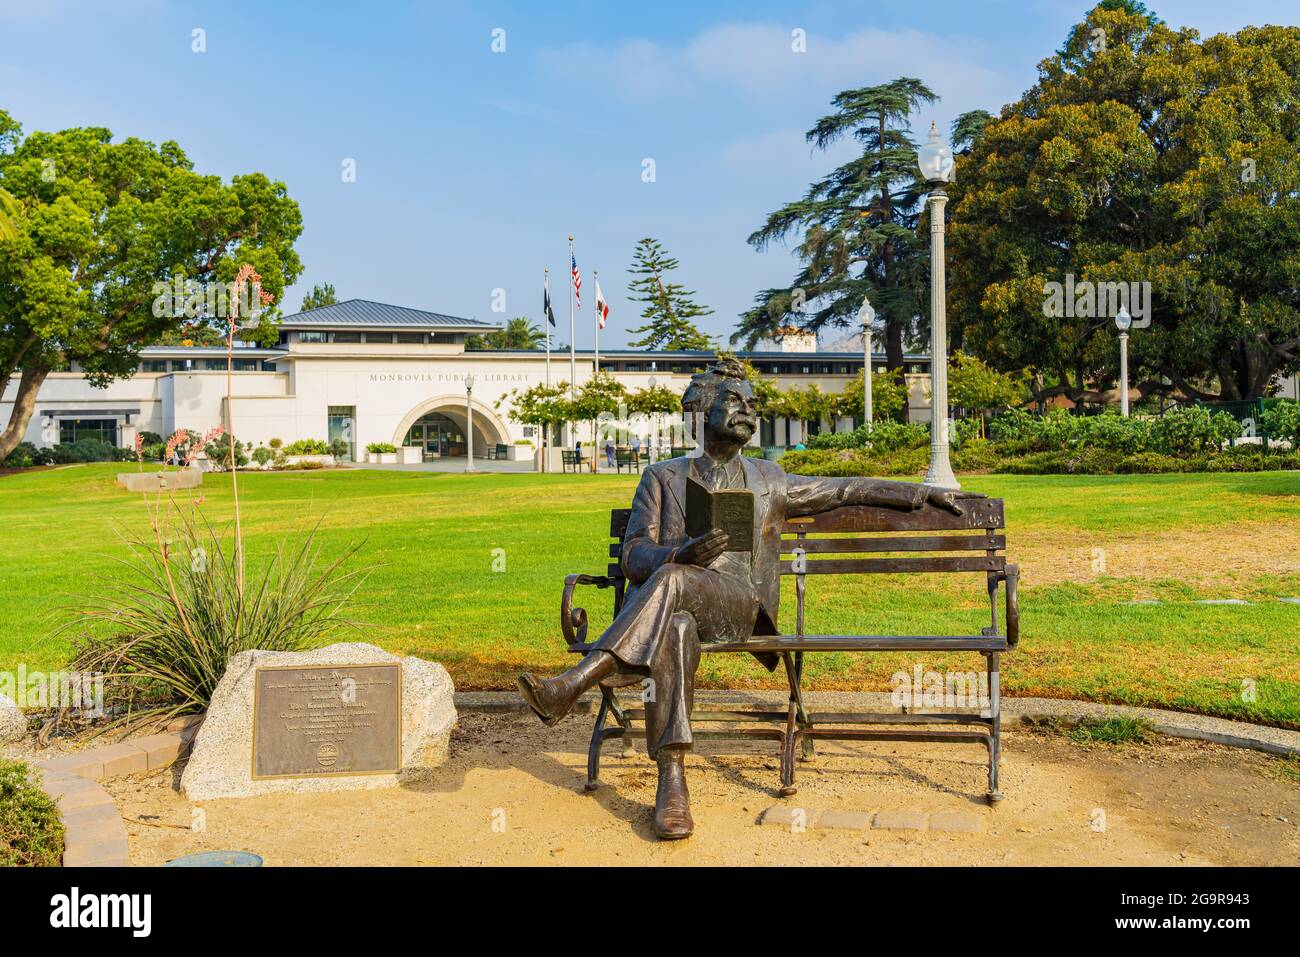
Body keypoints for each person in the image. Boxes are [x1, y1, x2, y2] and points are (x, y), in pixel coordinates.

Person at [517, 357, 977, 839]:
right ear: (703, 412)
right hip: (675, 614)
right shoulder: (662, 477)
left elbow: (846, 489)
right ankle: (671, 782)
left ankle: (575, 682)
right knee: (675, 623)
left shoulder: (770, 479)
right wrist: (683, 550)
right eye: (734, 401)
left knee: (674, 579)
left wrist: (921, 492)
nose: (748, 412)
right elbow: (634, 556)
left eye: (753, 404)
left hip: (739, 607)